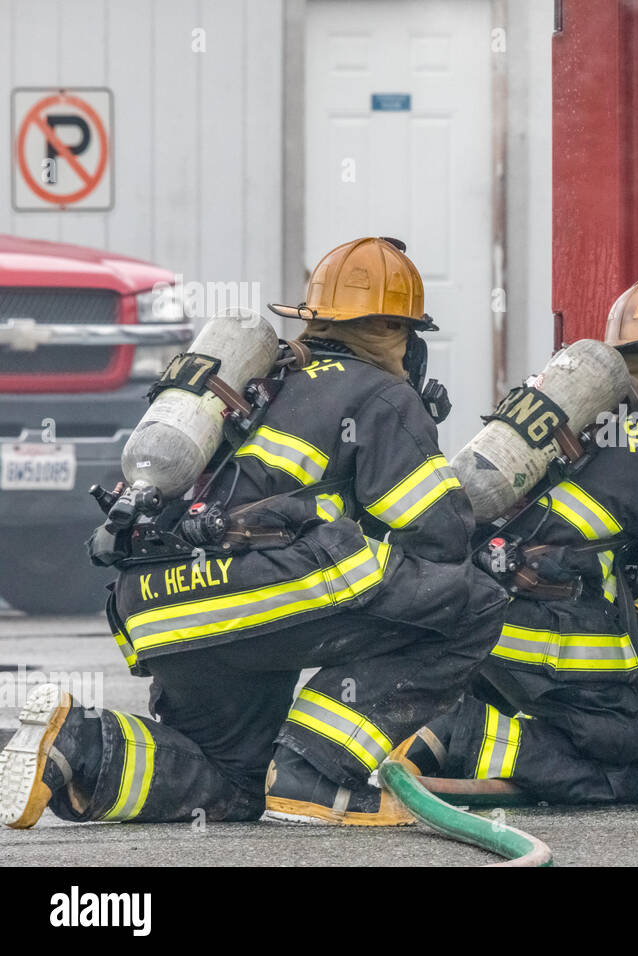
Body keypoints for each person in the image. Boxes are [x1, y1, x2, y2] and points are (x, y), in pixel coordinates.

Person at [0, 237, 507, 829]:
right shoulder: (382, 396)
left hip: (157, 604)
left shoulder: (261, 379)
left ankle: (79, 748)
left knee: (235, 781)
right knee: (470, 601)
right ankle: (316, 775)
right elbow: (439, 539)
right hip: (250, 588)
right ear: (398, 328)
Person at [390, 271, 638, 803]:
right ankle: (468, 736)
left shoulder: (577, 414)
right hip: (547, 639)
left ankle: (431, 733)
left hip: (466, 615)